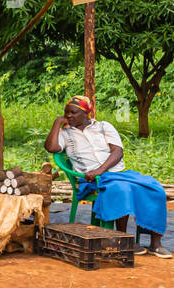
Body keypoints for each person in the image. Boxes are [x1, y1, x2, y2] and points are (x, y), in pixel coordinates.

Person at [46, 95, 170, 258]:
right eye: (66, 112)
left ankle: (155, 243)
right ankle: (123, 239)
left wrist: (101, 169)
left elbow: (117, 152)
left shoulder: (104, 127)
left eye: (73, 112)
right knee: (121, 189)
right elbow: (51, 147)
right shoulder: (65, 133)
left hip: (116, 173)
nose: (68, 116)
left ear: (86, 114)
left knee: (154, 189)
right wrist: (57, 123)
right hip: (90, 179)